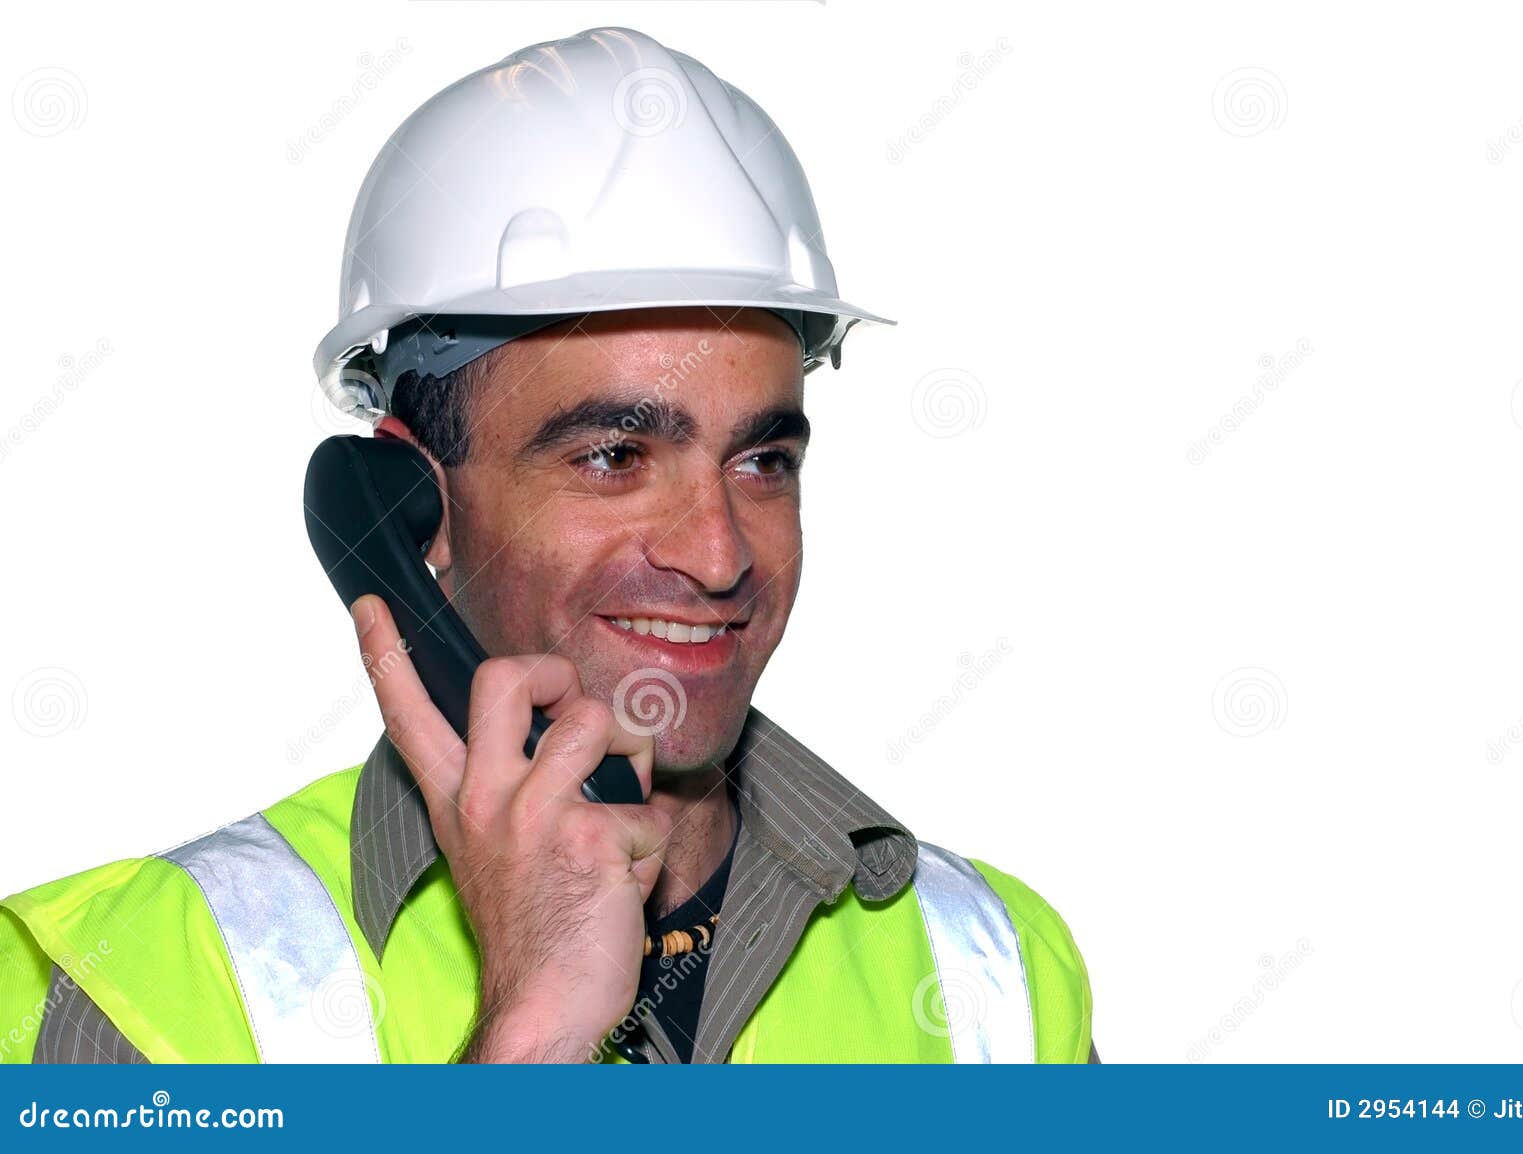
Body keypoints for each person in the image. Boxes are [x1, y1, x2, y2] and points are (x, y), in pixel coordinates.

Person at [0, 27, 1095, 1064]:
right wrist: (530, 1040)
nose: (718, 556)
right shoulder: (146, 983)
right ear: (403, 507)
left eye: (761, 460)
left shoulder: (998, 976)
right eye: (614, 456)